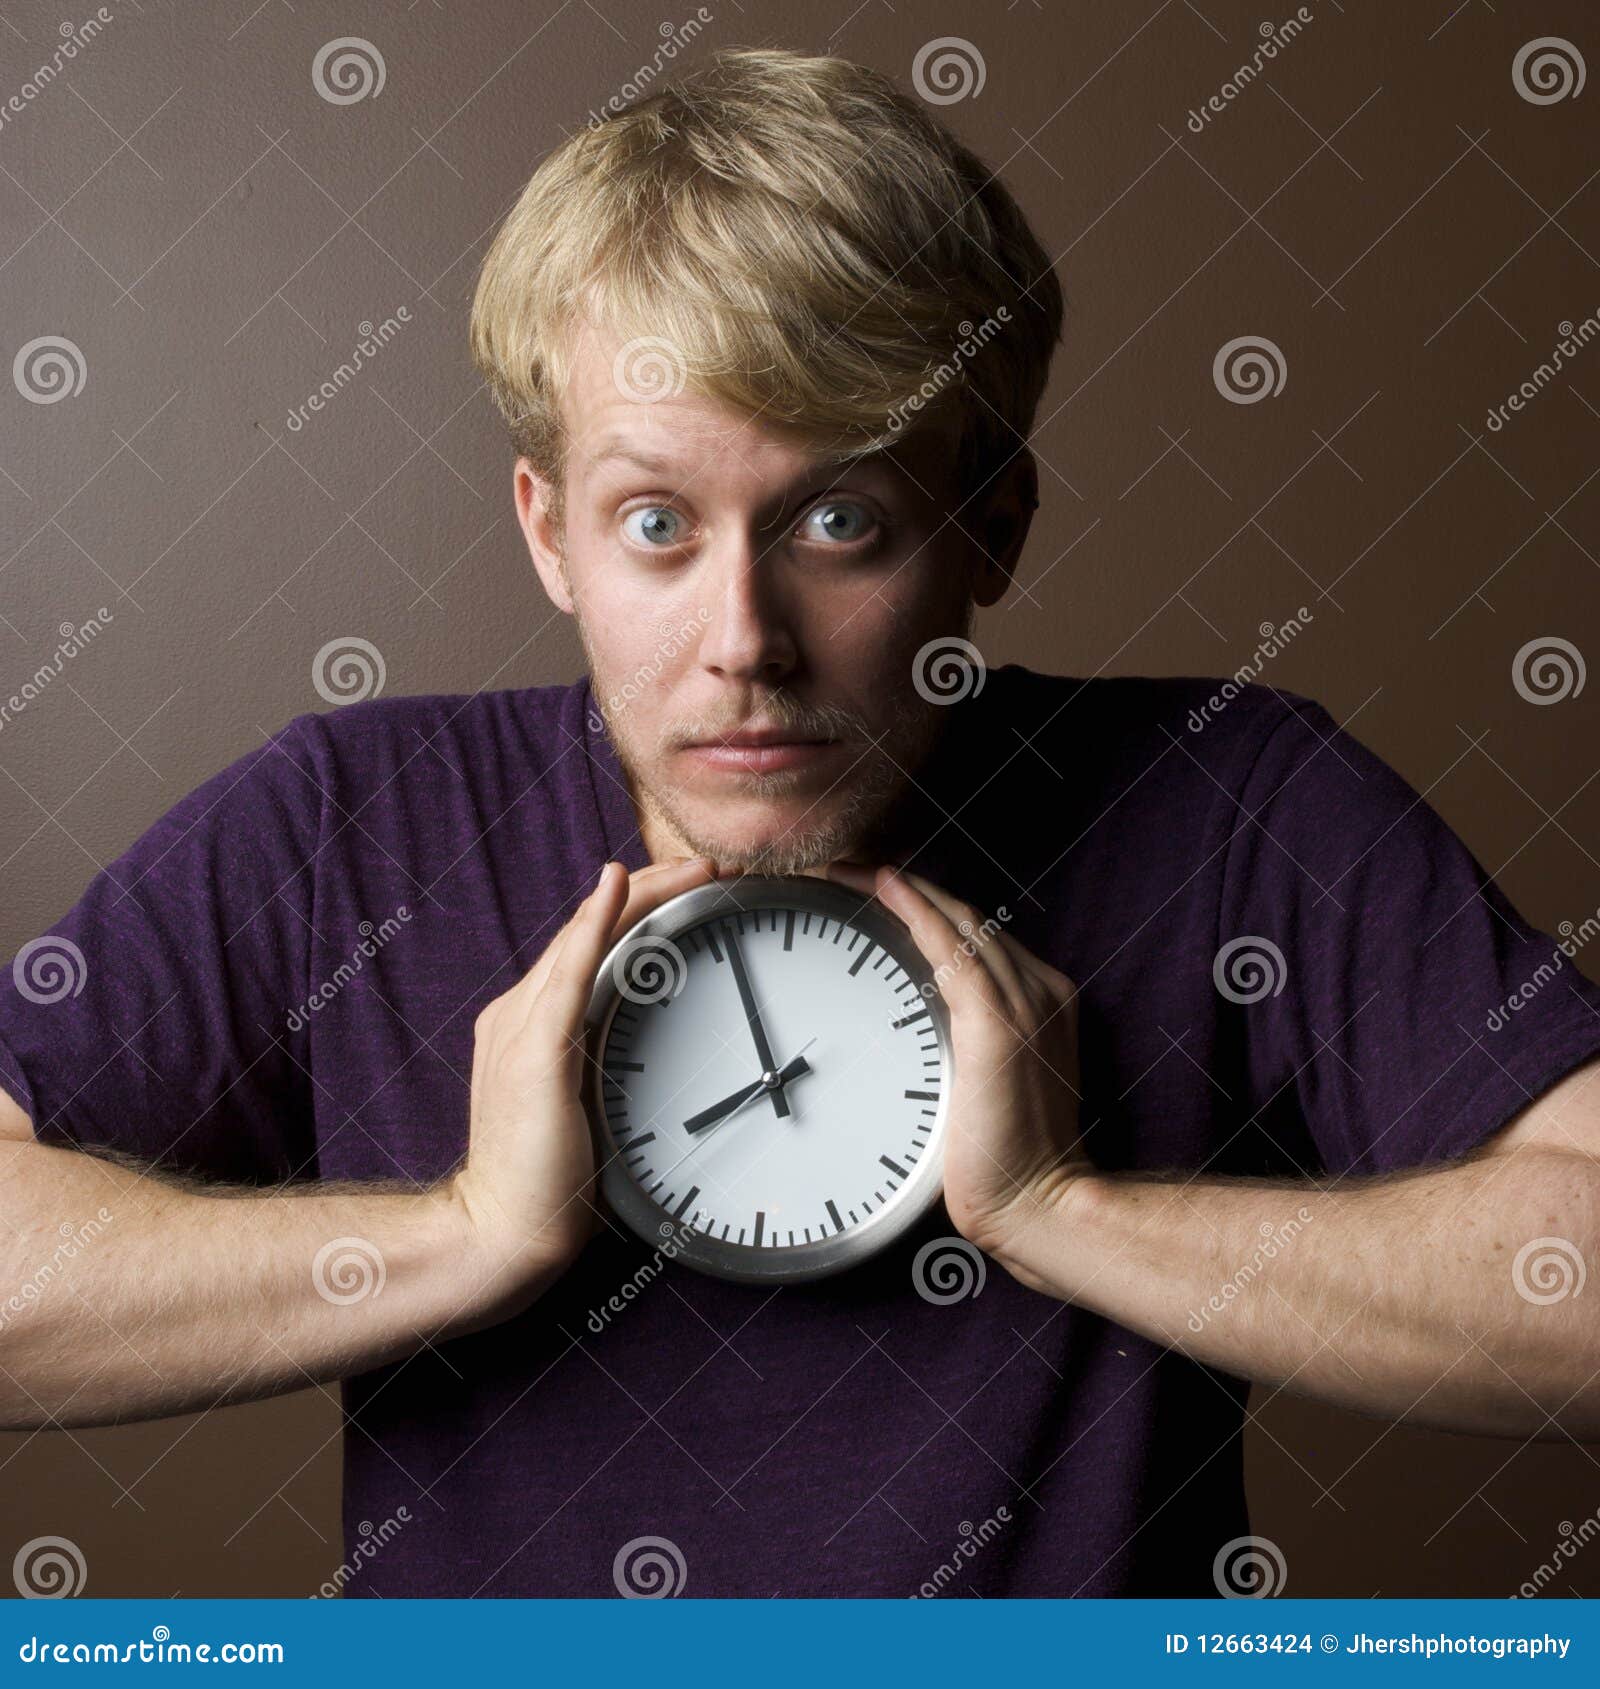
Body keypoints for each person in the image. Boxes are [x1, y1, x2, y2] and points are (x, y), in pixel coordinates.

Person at [3, 46, 1598, 1601]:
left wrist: (1066, 1212)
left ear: (991, 522)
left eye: (841, 517)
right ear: (549, 531)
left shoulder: (1234, 796)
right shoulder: (346, 829)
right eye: (655, 525)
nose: (746, 638)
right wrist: (461, 1237)